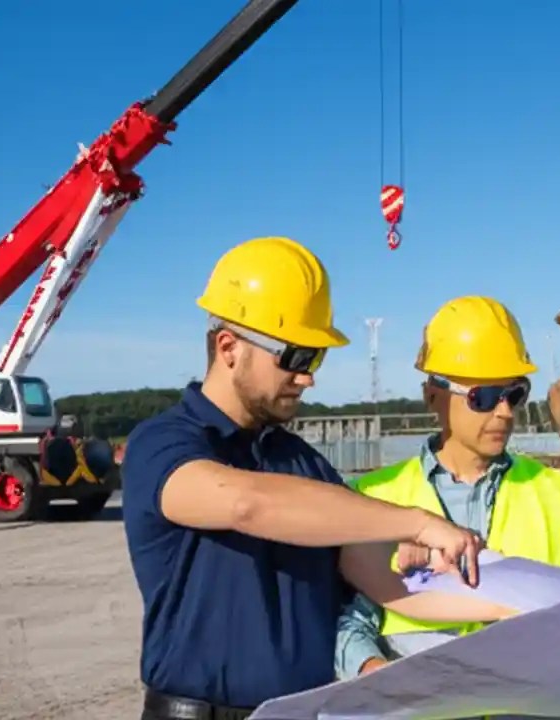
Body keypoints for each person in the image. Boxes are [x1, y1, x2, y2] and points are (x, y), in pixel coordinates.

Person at [121, 236, 486, 720]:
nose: (308, 377)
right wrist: (414, 522)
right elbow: (247, 503)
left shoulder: (305, 465)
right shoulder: (164, 444)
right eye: (295, 357)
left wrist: (529, 612)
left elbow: (388, 584)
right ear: (229, 347)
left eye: (315, 358)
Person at [334, 295, 560, 718]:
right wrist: (374, 671)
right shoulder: (374, 496)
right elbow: (348, 622)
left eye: (514, 393)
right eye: (484, 396)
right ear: (433, 395)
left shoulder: (554, 494)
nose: (505, 412)